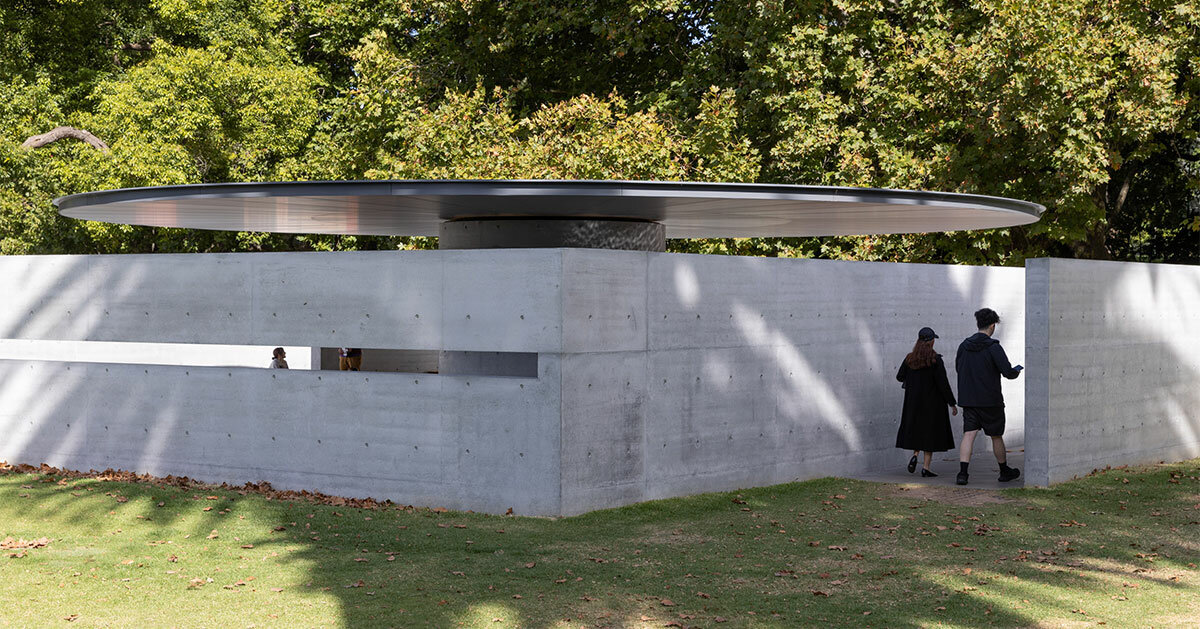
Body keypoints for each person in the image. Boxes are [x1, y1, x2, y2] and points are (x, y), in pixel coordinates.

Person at [955, 308, 1023, 485]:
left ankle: (962, 474)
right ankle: (1004, 471)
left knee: (969, 435)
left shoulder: (964, 346)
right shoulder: (993, 347)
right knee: (996, 436)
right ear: (992, 326)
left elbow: (958, 368)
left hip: (969, 400)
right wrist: (1016, 370)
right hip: (990, 401)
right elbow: (1007, 372)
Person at [895, 327, 958, 477]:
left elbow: (899, 376)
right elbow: (943, 384)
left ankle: (915, 455)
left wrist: (912, 381)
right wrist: (952, 403)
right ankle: (926, 468)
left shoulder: (909, 358)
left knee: (918, 430)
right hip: (932, 404)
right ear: (931, 341)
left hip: (913, 403)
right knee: (929, 434)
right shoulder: (935, 360)